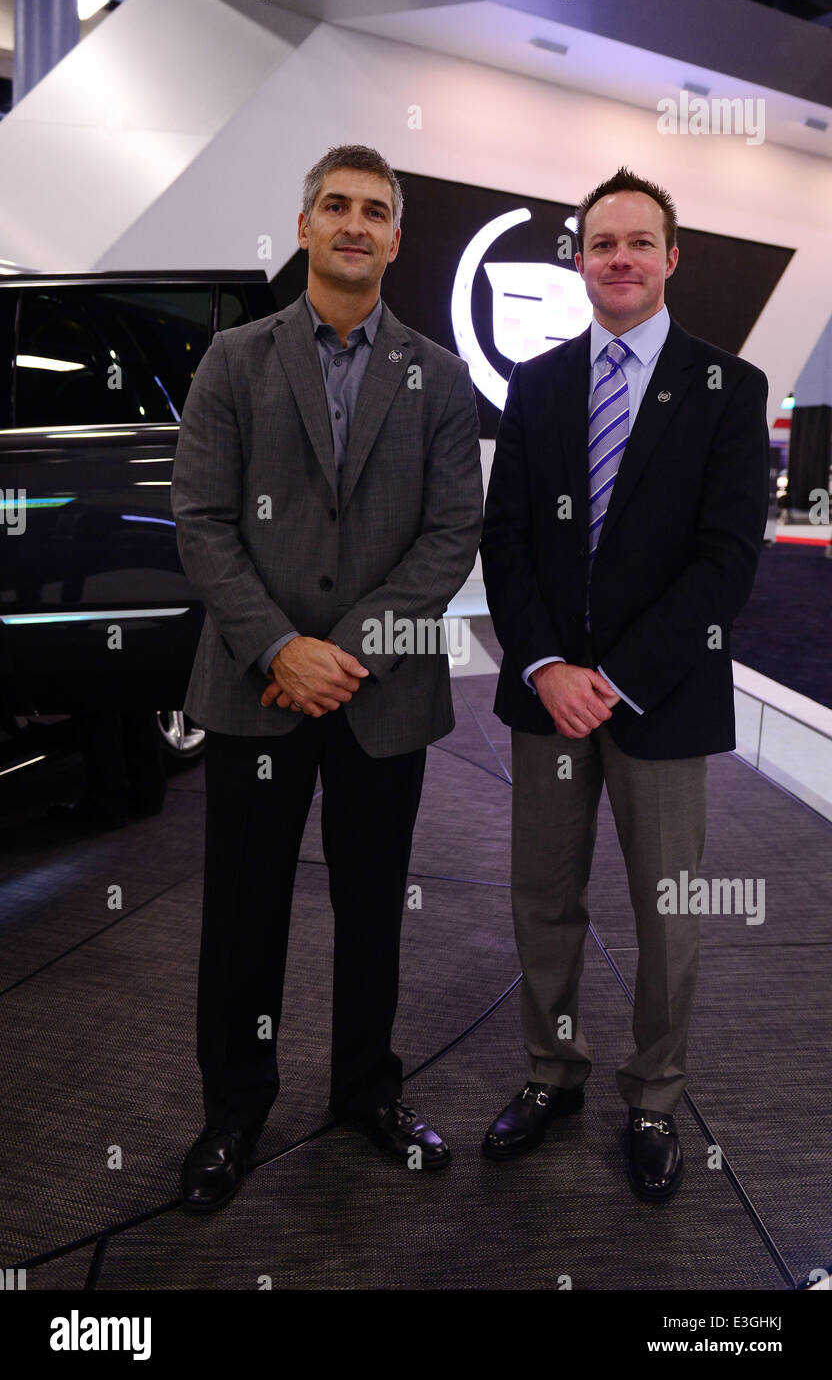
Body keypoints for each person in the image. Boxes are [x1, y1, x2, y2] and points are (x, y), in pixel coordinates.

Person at [171, 144, 483, 1212]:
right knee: (243, 911)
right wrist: (279, 648)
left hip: (380, 695)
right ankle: (234, 1107)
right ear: (304, 225)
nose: (355, 223)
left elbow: (451, 535)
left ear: (397, 240)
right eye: (336, 206)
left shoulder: (439, 377)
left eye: (376, 211)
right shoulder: (234, 361)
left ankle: (365, 1089)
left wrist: (341, 651)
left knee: (373, 908)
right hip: (255, 689)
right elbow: (204, 526)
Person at [479, 166, 769, 1201]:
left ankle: (653, 1097)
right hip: (546, 697)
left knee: (666, 915)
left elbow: (726, 560)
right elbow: (504, 539)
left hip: (661, 698)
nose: (619, 259)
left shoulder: (729, 390)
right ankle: (553, 1071)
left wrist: (614, 678)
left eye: (639, 242)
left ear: (670, 257)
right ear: (578, 259)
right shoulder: (538, 383)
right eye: (602, 243)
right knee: (544, 901)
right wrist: (550, 666)